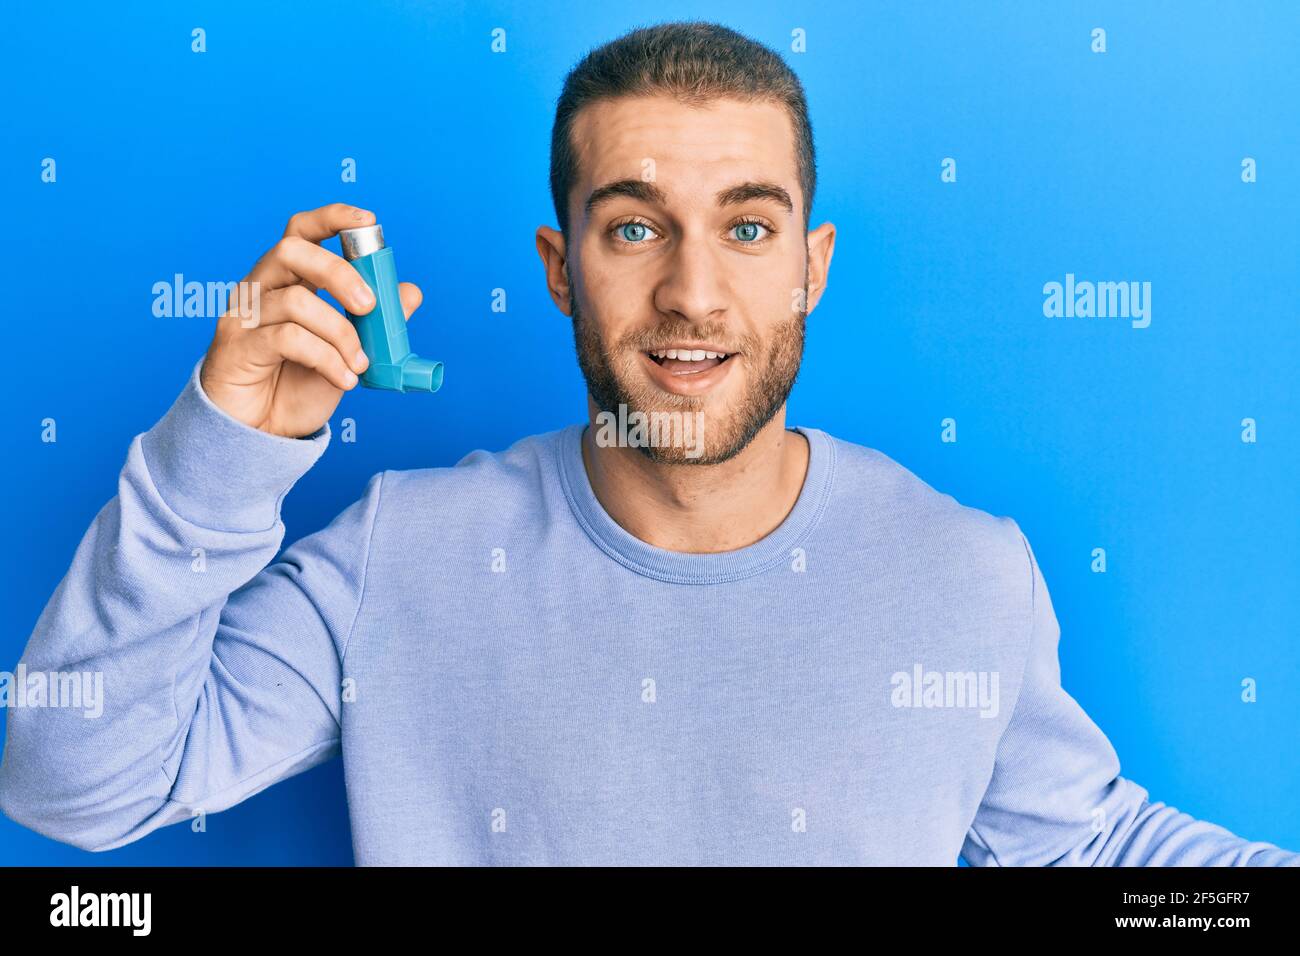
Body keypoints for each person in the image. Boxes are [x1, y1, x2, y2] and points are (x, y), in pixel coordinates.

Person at [0, 21, 1294, 865]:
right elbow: (78, 787)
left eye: (745, 227)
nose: (690, 292)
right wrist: (221, 450)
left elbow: (1090, 851)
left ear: (810, 268)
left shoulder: (965, 570)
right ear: (560, 270)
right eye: (633, 227)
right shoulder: (402, 553)